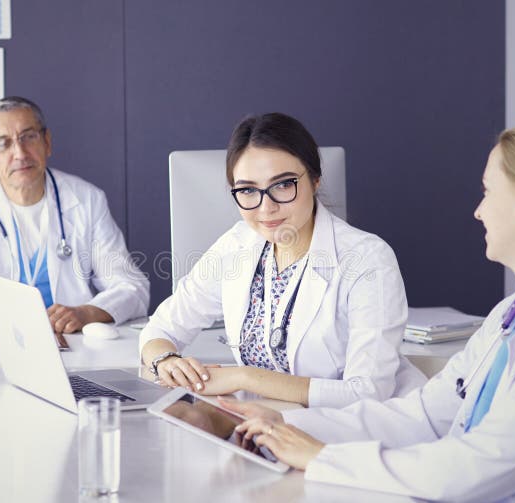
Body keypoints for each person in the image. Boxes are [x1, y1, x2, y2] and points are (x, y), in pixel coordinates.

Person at [223, 122, 515, 501]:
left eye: (487, 192)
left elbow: (474, 467)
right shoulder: (512, 313)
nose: (478, 211)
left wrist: (321, 458)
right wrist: (283, 426)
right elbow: (426, 416)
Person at [140, 112, 424, 408]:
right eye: (248, 190)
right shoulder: (237, 245)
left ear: (315, 180)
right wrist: (166, 360)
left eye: (283, 185)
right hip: (269, 424)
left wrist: (245, 378)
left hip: (356, 433)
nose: (267, 207)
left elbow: (366, 392)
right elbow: (160, 329)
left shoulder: (367, 259)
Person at [0, 96, 149, 332]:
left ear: (47, 142)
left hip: (70, 343)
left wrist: (85, 313)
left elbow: (132, 287)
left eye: (29, 137)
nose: (20, 153)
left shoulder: (86, 199)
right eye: (3, 144)